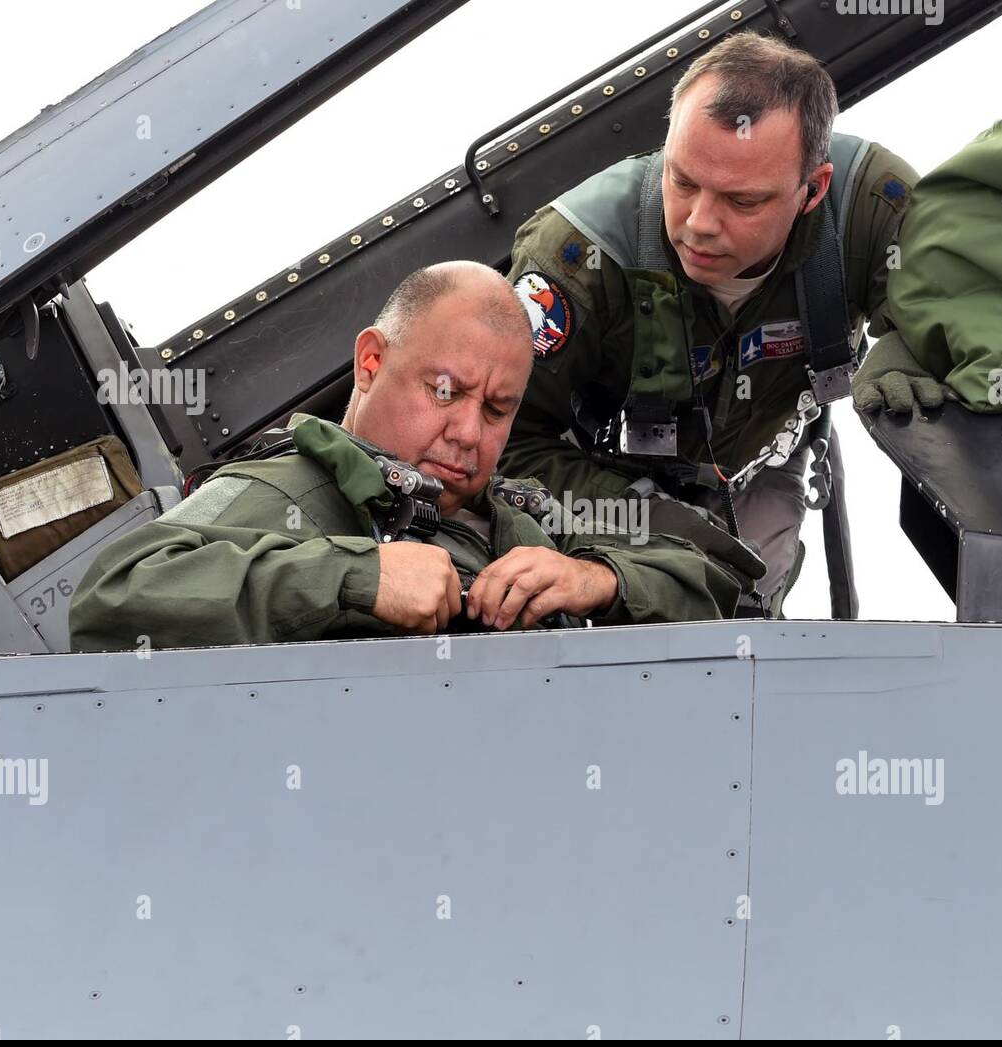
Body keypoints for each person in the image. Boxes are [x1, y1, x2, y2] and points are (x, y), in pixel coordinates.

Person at [69, 262, 747, 651]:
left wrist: (596, 581)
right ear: (371, 362)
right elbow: (116, 592)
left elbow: (717, 582)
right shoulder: (295, 491)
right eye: (444, 391)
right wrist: (356, 577)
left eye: (496, 409)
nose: (467, 432)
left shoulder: (521, 517)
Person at [500, 30, 920, 616]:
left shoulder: (872, 209)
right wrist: (643, 518)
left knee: (747, 615)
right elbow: (502, 445)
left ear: (812, 190)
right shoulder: (579, 258)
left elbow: (963, 333)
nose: (699, 223)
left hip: (767, 460)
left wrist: (907, 363)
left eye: (741, 201)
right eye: (683, 180)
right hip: (597, 478)